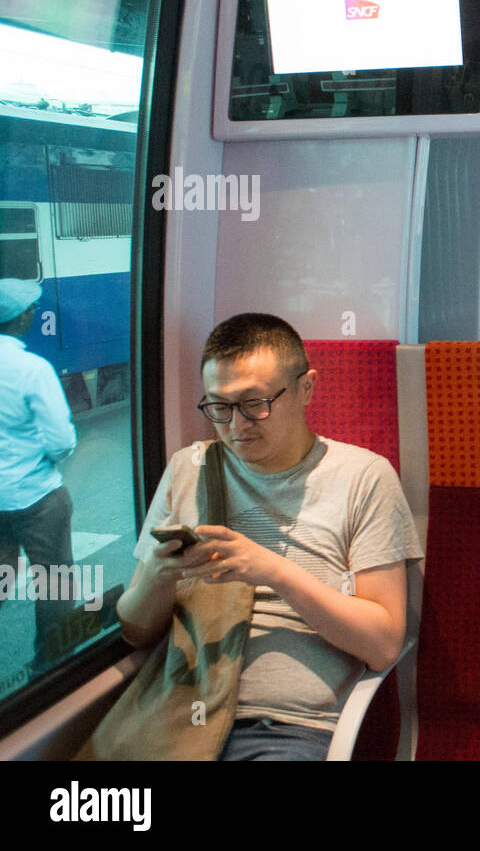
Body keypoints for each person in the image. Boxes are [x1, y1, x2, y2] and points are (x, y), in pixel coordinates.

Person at [115, 313, 422, 759]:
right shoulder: (189, 469)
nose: (236, 426)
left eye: (254, 403)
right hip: (177, 717)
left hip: (284, 729)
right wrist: (158, 578)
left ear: (306, 389)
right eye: (219, 407)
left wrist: (275, 572)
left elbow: (383, 643)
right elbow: (136, 633)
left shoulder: (363, 477)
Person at [0, 279, 78, 670]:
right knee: (54, 579)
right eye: (29, 308)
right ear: (19, 318)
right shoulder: (33, 369)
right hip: (36, 496)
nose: (34, 312)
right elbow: (61, 440)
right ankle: (52, 665)